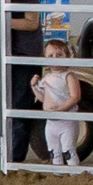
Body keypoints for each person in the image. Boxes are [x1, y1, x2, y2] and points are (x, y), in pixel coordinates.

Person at [4, 0, 45, 164]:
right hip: (6, 51)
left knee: (19, 107)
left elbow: (31, 22)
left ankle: (14, 159)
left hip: (24, 53)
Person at [32, 36, 82, 166]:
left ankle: (74, 174)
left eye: (59, 54)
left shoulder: (69, 76)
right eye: (50, 55)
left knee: (68, 151)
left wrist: (61, 109)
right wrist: (34, 87)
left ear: (67, 57)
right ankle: (58, 173)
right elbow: (43, 98)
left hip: (66, 121)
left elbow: (75, 97)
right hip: (51, 122)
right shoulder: (47, 77)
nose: (55, 58)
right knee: (54, 151)